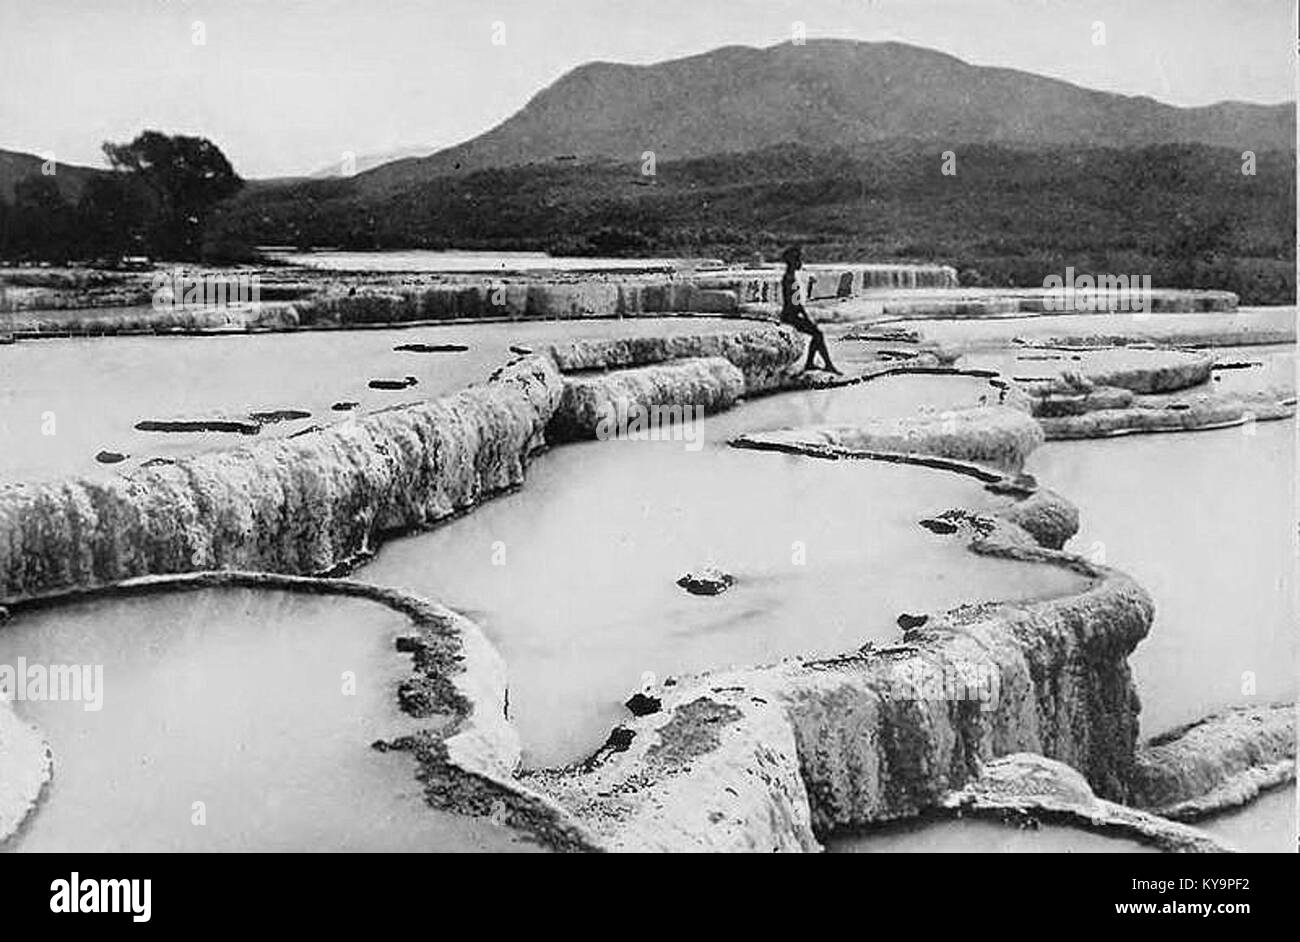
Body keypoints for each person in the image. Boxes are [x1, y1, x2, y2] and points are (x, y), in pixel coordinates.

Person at [778, 246, 840, 374]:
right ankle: (825, 364)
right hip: (791, 316)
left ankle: (812, 363)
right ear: (793, 262)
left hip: (791, 315)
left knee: (816, 334)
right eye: (798, 260)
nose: (801, 263)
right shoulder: (790, 279)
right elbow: (795, 303)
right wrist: (806, 317)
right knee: (818, 334)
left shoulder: (790, 276)